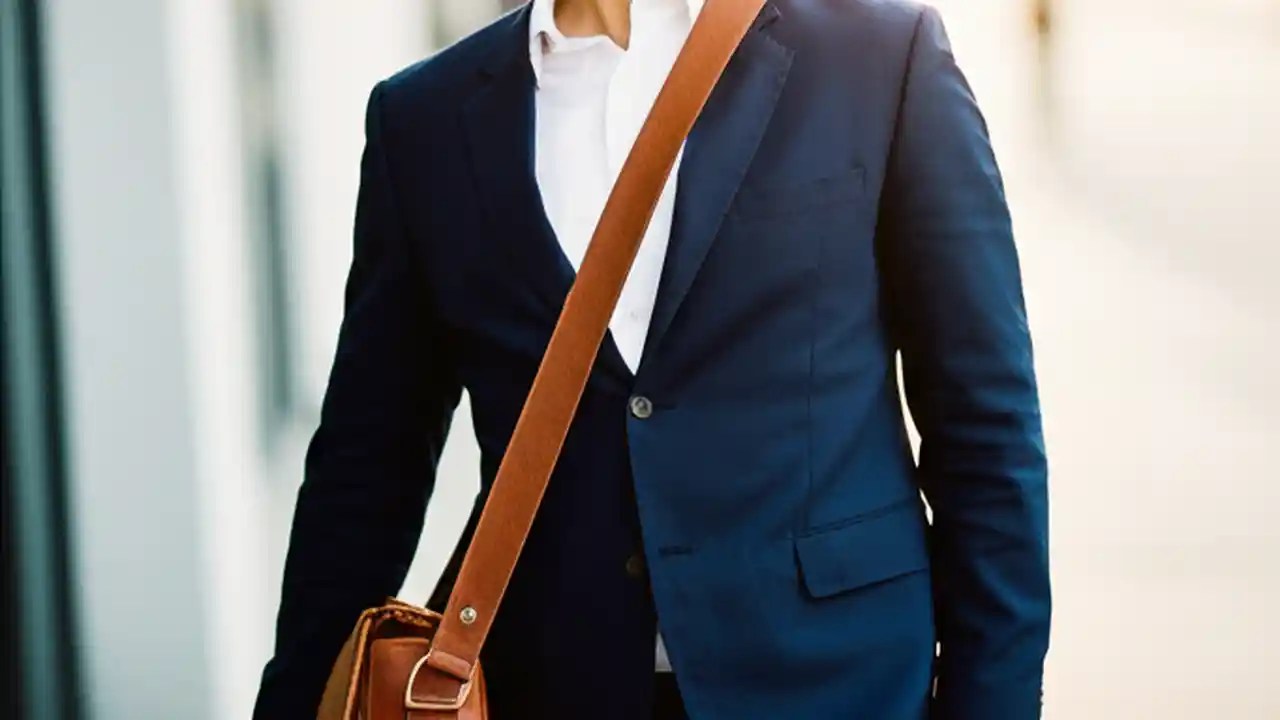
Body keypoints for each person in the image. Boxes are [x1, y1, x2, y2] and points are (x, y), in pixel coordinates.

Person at [253, 0, 1051, 718]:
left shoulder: (878, 54)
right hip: (552, 684)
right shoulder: (423, 121)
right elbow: (364, 476)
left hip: (840, 682)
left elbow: (986, 428)